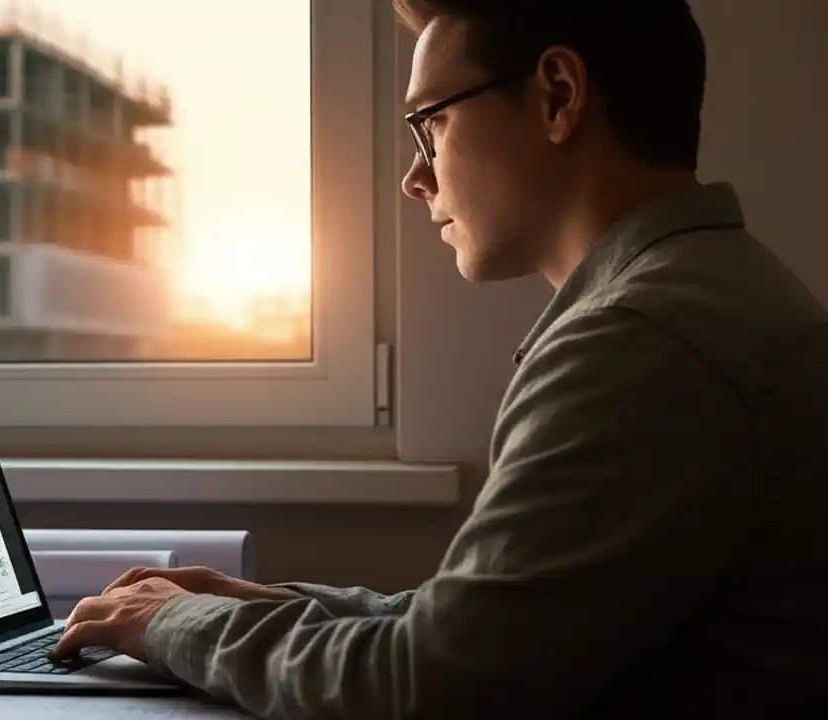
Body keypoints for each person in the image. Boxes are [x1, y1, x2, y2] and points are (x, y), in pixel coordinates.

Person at [51, 0, 828, 716]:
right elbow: (498, 629)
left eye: (430, 123)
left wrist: (178, 625)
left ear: (558, 95)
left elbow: (429, 684)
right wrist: (269, 605)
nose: (414, 176)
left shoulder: (642, 342)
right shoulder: (707, 294)